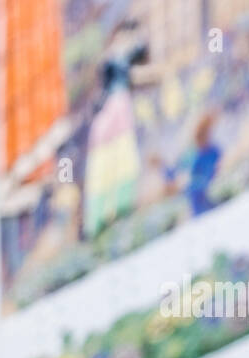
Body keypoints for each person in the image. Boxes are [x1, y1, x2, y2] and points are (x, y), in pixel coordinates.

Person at [82, 20, 148, 238]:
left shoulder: (124, 56)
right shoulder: (114, 58)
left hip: (120, 113)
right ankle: (104, 215)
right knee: (109, 161)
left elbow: (141, 52)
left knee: (124, 159)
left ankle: (119, 207)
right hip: (113, 114)